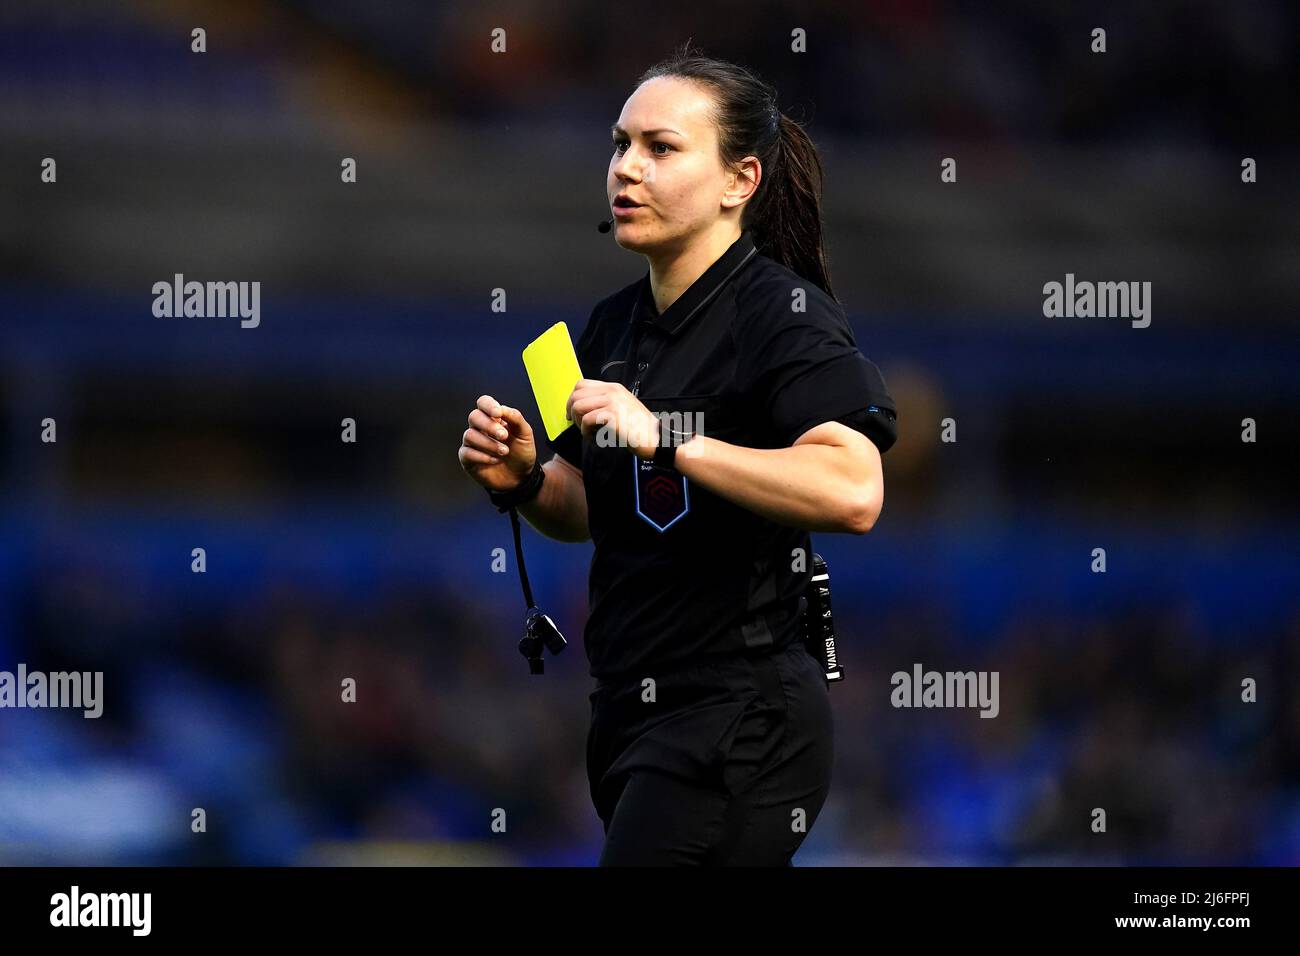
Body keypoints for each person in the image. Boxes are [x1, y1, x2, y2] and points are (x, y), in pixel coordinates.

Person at [458, 42, 897, 865]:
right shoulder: (608, 327)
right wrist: (523, 477)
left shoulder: (783, 315)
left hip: (742, 713)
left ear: (740, 182)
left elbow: (854, 489)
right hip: (629, 714)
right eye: (621, 144)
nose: (627, 168)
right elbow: (593, 510)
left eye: (662, 148)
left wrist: (668, 436)